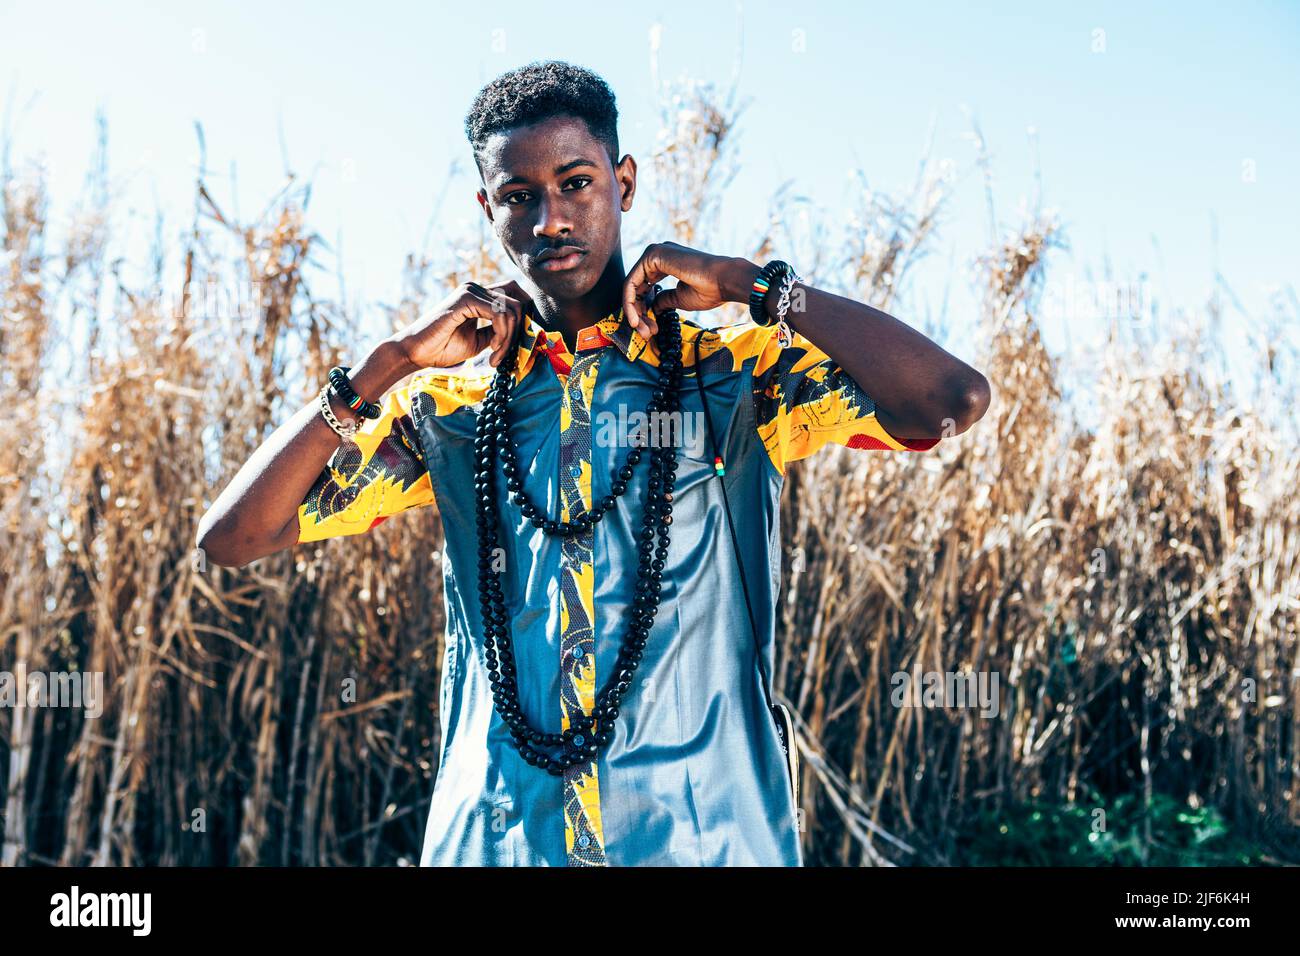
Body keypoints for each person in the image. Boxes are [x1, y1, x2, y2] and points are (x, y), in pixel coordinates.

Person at [195, 59, 991, 866]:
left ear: (624, 182)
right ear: (489, 210)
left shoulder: (732, 380)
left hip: (703, 845)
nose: (550, 220)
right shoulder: (451, 414)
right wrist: (389, 364)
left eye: (576, 183)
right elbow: (233, 538)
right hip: (499, 843)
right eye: (518, 197)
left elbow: (950, 398)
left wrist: (749, 285)